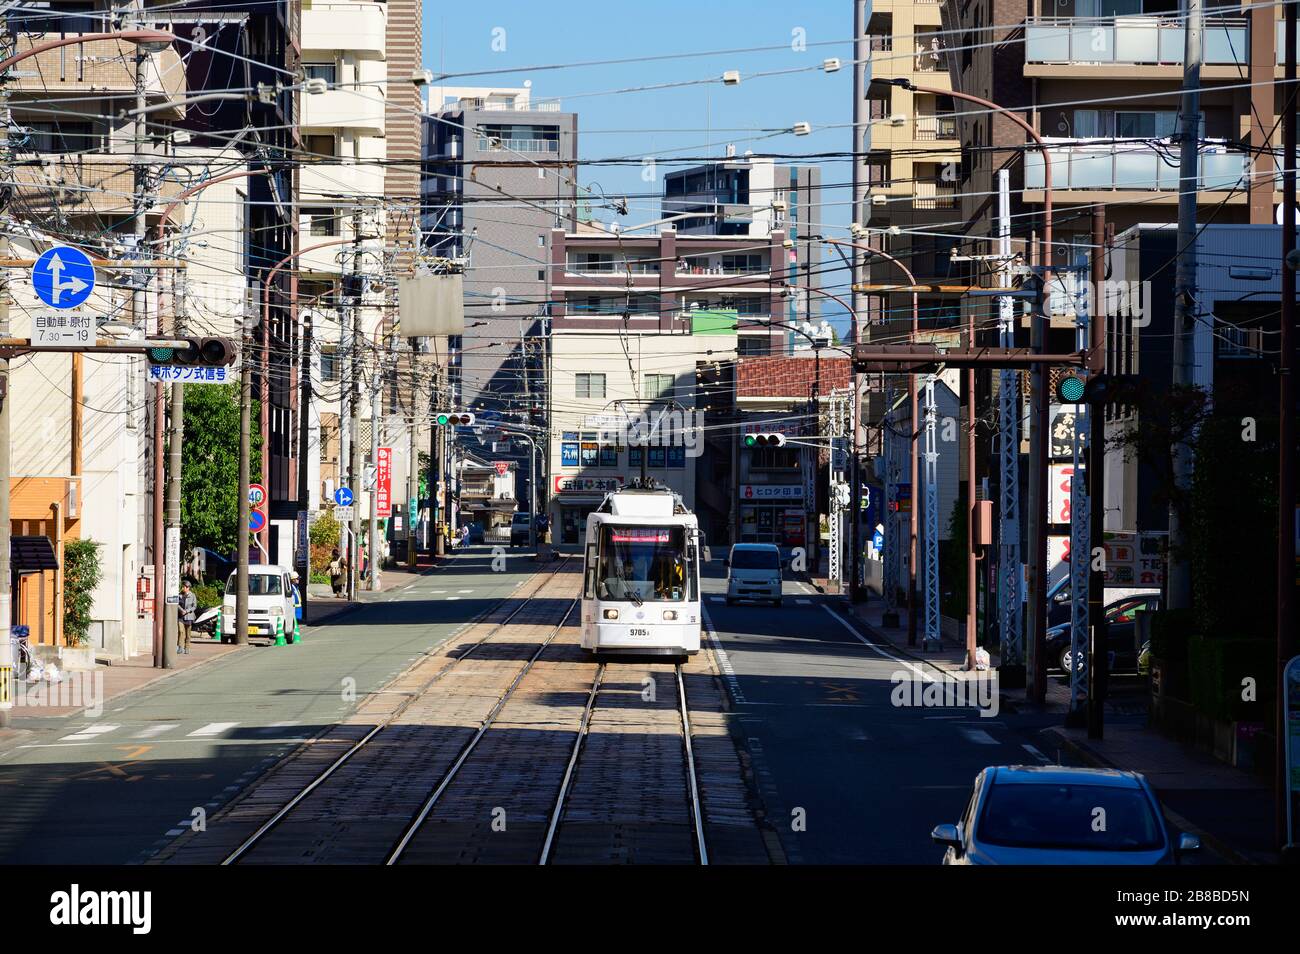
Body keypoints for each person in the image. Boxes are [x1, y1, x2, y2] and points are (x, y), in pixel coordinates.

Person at [178, 582, 197, 655]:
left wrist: (187, 611)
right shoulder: (179, 595)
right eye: (182, 587)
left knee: (188, 634)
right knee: (181, 631)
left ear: (188, 588)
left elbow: (194, 606)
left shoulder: (192, 595)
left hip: (189, 616)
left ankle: (187, 647)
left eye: (184, 587)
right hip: (180, 616)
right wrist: (181, 610)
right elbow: (176, 603)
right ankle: (180, 647)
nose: (183, 588)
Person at [289, 571, 303, 643]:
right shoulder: (291, 587)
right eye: (297, 579)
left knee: (297, 622)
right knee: (295, 622)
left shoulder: (295, 587)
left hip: (298, 607)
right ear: (293, 579)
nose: (298, 580)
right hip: (295, 608)